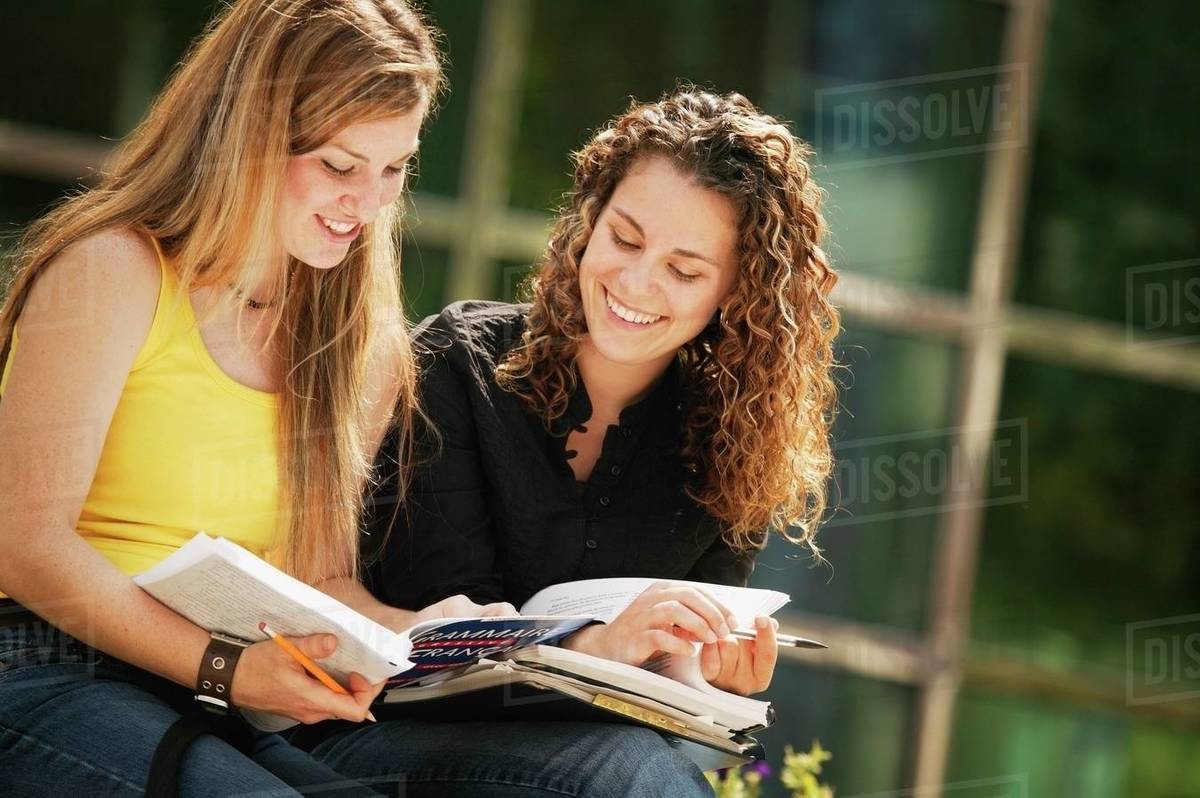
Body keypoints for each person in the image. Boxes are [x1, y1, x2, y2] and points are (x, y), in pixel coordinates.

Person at [0, 1, 504, 795]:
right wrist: (226, 670)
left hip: (207, 694)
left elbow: (317, 583)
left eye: (395, 169)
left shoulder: (358, 344)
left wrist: (424, 634)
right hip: (42, 662)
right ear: (249, 138)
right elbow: (21, 542)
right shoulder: (111, 272)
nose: (368, 205)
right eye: (340, 166)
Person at [293, 88, 841, 796]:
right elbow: (442, 655)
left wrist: (702, 671)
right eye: (626, 238)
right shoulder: (457, 370)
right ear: (588, 221)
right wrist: (592, 646)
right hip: (377, 741)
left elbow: (660, 705)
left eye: (684, 270)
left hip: (582, 773)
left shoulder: (735, 447)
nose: (637, 283)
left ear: (736, 293)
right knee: (632, 777)